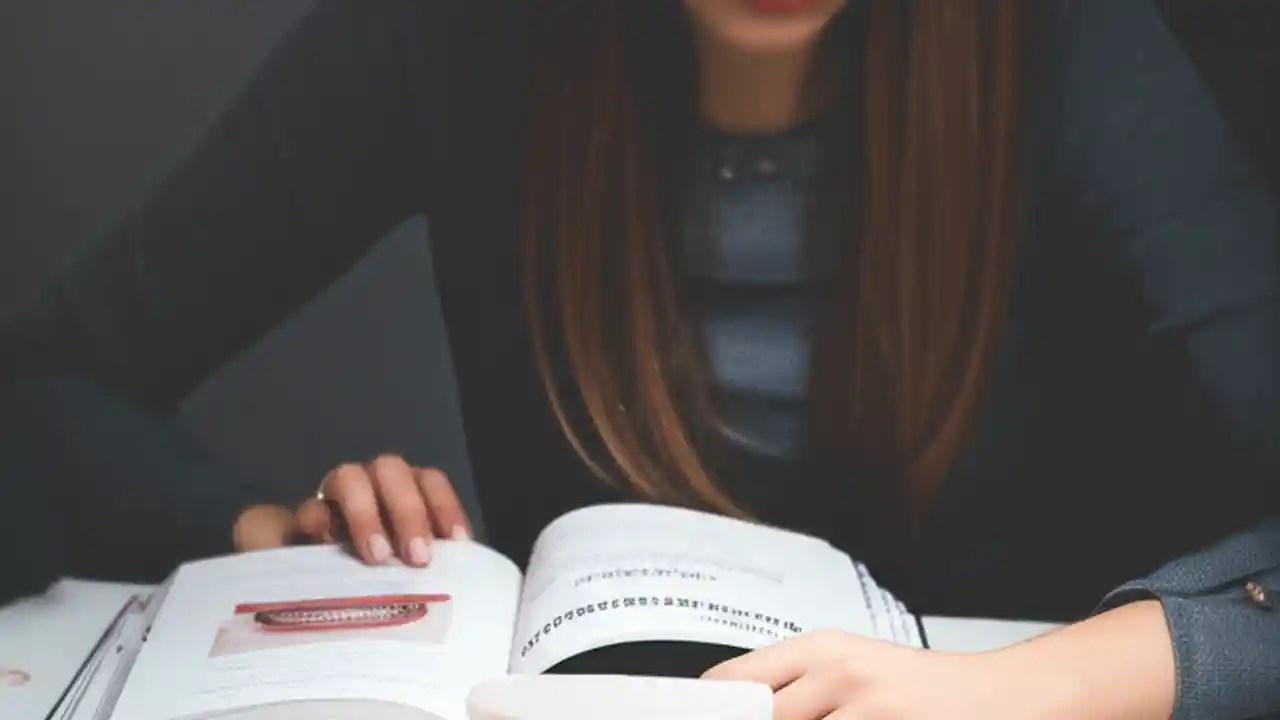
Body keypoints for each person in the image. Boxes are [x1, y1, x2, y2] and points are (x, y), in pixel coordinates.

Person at [3, 0, 1276, 716]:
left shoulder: (1066, 39)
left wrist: (1011, 691)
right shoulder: (458, 35)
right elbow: (43, 386)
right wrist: (258, 535)